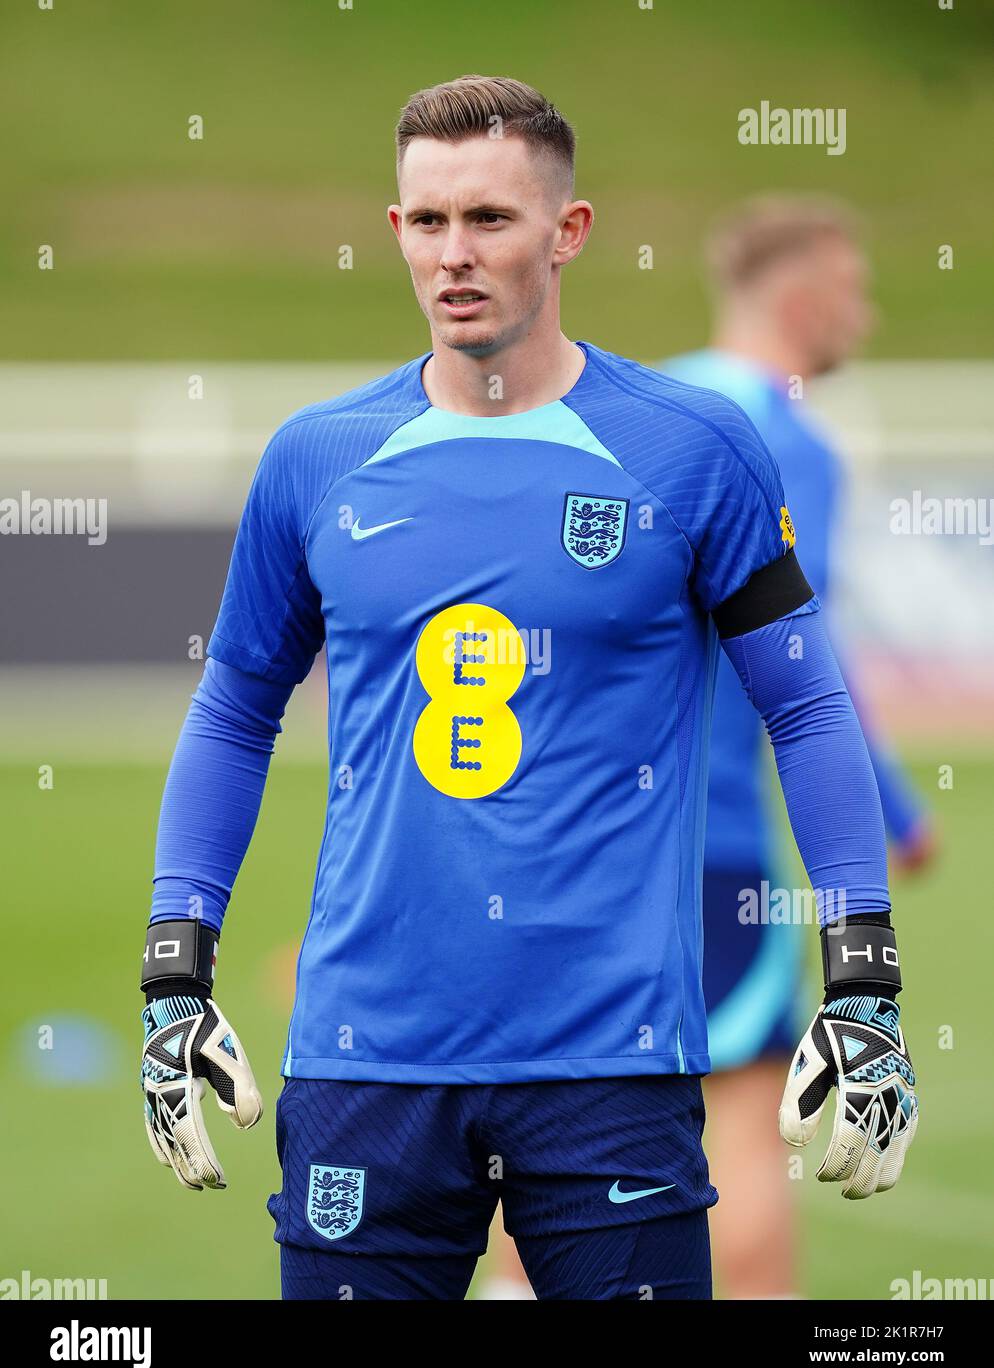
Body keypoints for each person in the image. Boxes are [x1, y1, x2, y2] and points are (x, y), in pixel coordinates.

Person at [139, 77, 917, 1301]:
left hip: (611, 1065)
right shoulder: (316, 457)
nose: (455, 255)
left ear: (569, 232)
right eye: (428, 221)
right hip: (366, 1059)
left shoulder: (690, 448)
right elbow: (234, 709)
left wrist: (862, 978)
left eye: (491, 219)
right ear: (394, 229)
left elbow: (808, 704)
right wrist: (173, 969)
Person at [662, 198, 935, 1299]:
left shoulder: (635, 402)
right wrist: (900, 817)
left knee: (557, 1146)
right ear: (802, 296)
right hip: (711, 847)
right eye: (854, 288)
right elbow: (799, 665)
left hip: (568, 843)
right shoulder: (782, 434)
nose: (864, 314)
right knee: (741, 1137)